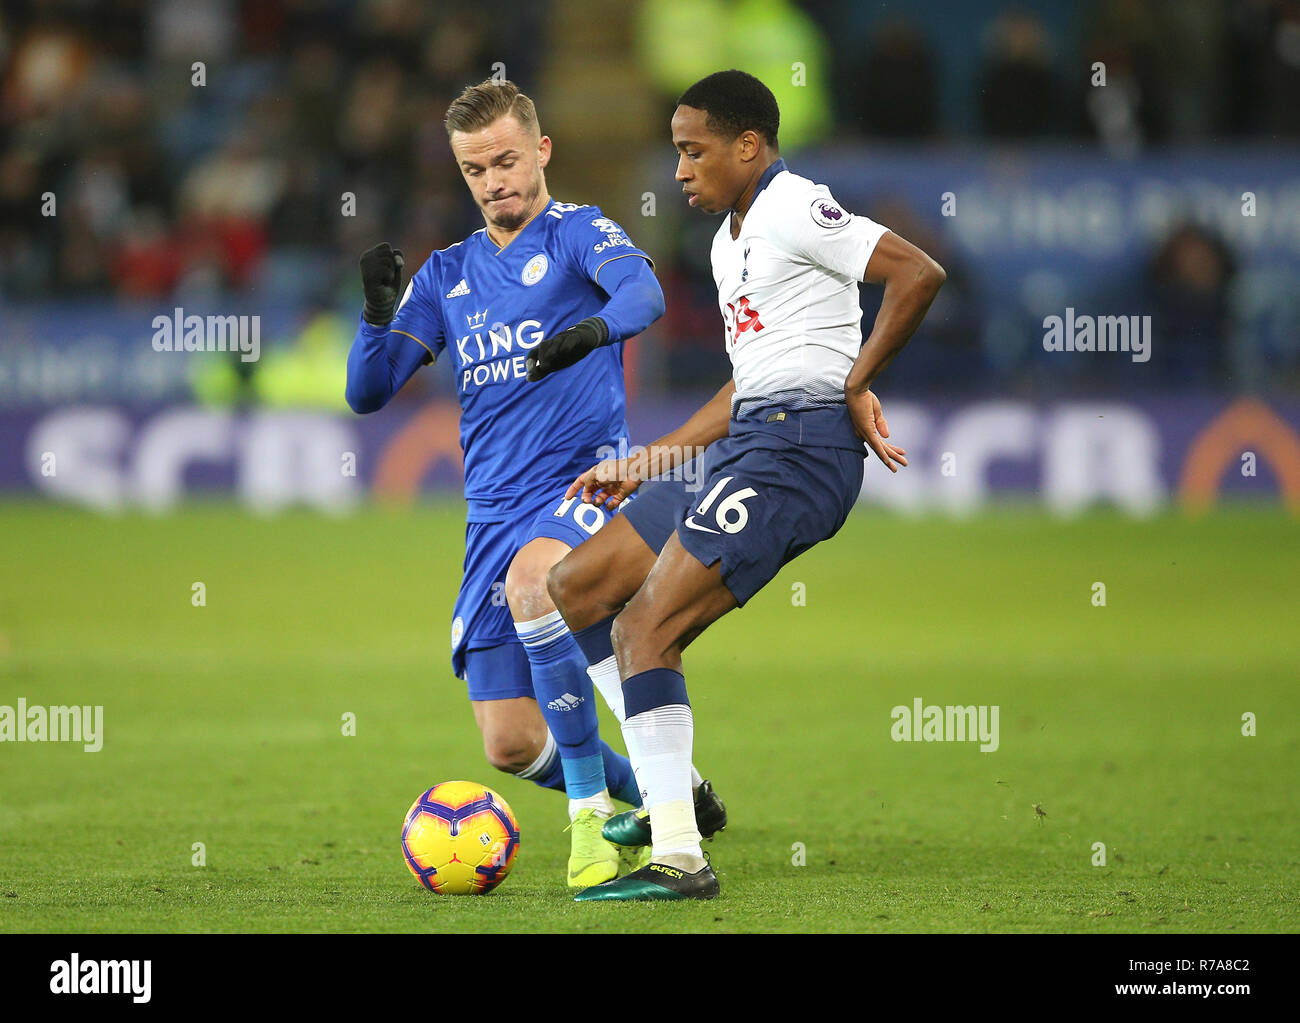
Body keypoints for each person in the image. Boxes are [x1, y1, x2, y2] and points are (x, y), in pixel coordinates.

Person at [532, 70, 946, 900]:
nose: (680, 169)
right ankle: (672, 792)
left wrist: (856, 381)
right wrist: (653, 458)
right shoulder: (730, 242)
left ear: (749, 146)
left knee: (646, 625)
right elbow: (746, 380)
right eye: (676, 152)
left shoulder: (796, 205)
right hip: (751, 439)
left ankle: (679, 854)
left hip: (797, 454)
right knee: (574, 587)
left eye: (694, 151)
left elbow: (917, 272)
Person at [345, 78, 670, 888]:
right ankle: (668, 797)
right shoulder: (449, 272)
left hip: (589, 486)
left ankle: (592, 827)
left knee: (537, 582)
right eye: (476, 170)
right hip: (491, 515)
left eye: (508, 161)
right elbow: (368, 390)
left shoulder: (577, 232)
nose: (496, 182)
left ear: (542, 150)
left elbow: (645, 292)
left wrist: (592, 330)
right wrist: (376, 313)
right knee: (512, 745)